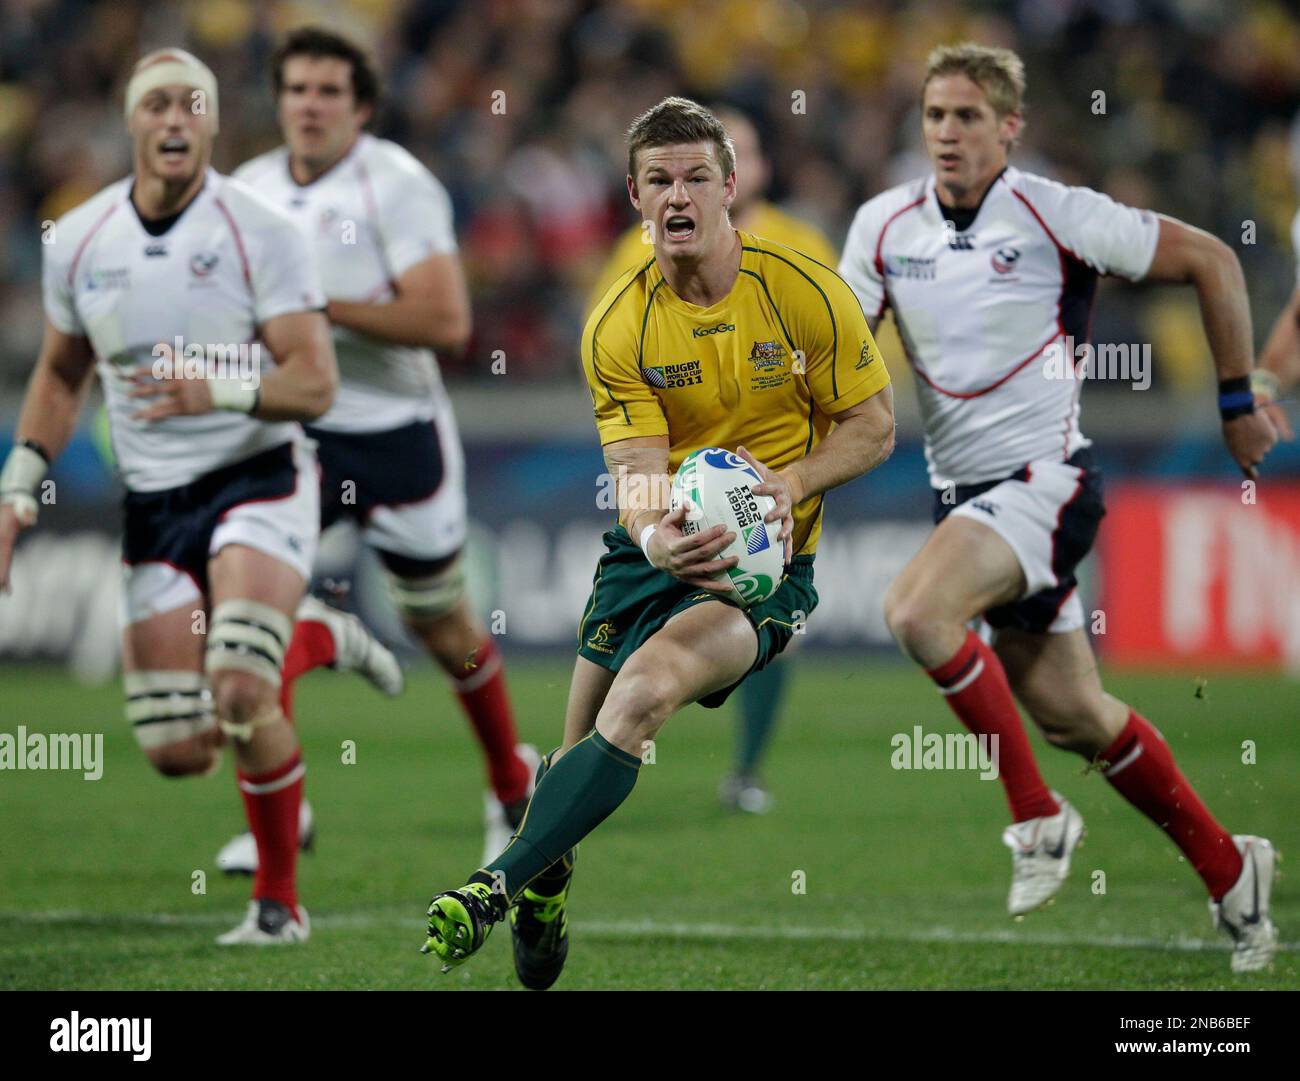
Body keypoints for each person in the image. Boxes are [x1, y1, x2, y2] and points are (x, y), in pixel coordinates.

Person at [420, 97, 896, 988]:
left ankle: (487, 891)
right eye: (659, 180)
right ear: (635, 197)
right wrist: (652, 531)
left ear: (730, 187)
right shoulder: (617, 323)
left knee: (637, 702)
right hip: (651, 556)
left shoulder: (804, 290)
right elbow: (636, 463)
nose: (679, 196)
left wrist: (785, 489)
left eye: (696, 178)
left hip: (762, 575)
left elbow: (872, 426)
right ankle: (544, 882)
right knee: (567, 773)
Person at [839, 42, 1280, 973]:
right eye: (933, 116)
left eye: (966, 117)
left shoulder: (1055, 212)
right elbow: (838, 354)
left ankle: (1038, 816)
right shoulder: (883, 225)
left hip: (1048, 482)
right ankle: (1230, 871)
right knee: (1079, 716)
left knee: (916, 611)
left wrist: (1237, 401)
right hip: (963, 499)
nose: (947, 134)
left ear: (1010, 127)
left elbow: (1211, 260)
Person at [0, 48, 338, 943]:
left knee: (235, 687)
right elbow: (61, 375)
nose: (176, 118)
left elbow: (315, 382)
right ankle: (313, 638)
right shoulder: (78, 239)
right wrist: (16, 490)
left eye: (193, 103)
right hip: (154, 502)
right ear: (134, 120)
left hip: (257, 478)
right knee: (176, 750)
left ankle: (278, 905)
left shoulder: (260, 232)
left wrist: (218, 390)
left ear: (214, 123)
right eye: (158, 104)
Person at [221, 27, 537, 872]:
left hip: (396, 434)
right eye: (296, 90)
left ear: (360, 107)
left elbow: (447, 322)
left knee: (443, 625)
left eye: (329, 91)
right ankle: (281, 812)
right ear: (278, 101)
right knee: (249, 617)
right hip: (296, 432)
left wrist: (318, 306)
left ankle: (512, 778)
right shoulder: (245, 190)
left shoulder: (397, 187)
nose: (310, 106)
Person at [590, 105, 839, 816]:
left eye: (734, 157)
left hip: (775, 482)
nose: (683, 190)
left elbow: (846, 367)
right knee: (631, 639)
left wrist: (800, 475)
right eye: (666, 175)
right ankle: (581, 772)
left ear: (741, 172)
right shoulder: (634, 255)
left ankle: (745, 767)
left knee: (765, 622)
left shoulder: (801, 248)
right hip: (673, 478)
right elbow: (612, 360)